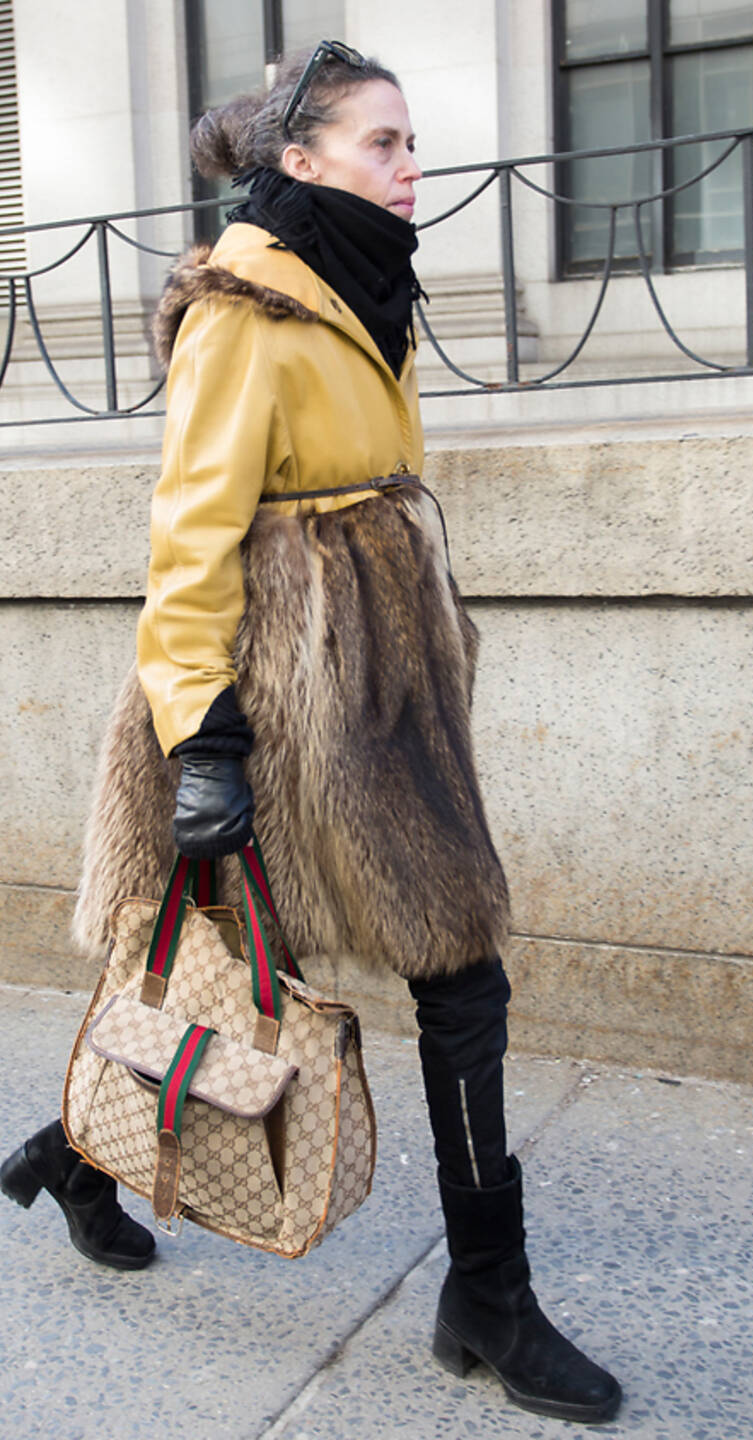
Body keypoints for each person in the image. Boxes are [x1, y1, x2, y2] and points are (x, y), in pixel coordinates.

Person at [0, 44, 619, 1425]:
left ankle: (77, 1158)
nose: (413, 169)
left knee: (438, 970)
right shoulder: (245, 304)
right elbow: (191, 535)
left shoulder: (360, 279)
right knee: (317, 966)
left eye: (412, 143)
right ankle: (489, 1295)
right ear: (301, 161)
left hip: (380, 677)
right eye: (385, 143)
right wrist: (204, 739)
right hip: (268, 685)